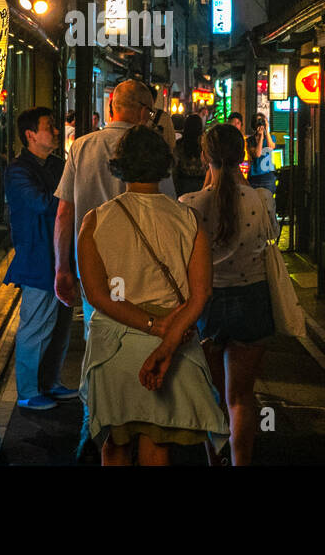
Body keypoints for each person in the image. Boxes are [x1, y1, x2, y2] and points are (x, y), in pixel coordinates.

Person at [76, 125, 228, 465]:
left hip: (115, 344)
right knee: (157, 444)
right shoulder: (188, 219)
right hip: (173, 339)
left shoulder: (95, 220)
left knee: (115, 444)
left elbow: (98, 294)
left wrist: (153, 324)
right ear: (164, 165)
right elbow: (201, 294)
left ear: (119, 165)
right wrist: (167, 336)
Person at [54, 79, 177, 461]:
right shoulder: (152, 151)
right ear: (143, 112)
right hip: (145, 276)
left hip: (97, 275)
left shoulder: (82, 146)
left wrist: (62, 268)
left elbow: (64, 212)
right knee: (144, 348)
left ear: (111, 106)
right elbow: (168, 215)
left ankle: (98, 424)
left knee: (100, 349)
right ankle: (141, 422)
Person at [179, 123, 277, 465]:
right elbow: (272, 236)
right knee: (241, 397)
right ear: (242, 156)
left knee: (213, 394)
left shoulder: (189, 203)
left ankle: (214, 460)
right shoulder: (261, 199)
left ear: (206, 156)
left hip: (207, 302)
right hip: (252, 298)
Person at [4, 107, 76, 410]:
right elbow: (45, 204)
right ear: (30, 134)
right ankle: (28, 391)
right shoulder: (18, 170)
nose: (56, 132)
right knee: (36, 324)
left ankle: (50, 382)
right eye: (50, 126)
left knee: (60, 323)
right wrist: (70, 200)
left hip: (60, 254)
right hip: (37, 256)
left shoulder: (58, 164)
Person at [172, 113, 207, 196]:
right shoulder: (204, 145)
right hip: (202, 184)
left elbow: (175, 169)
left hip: (184, 184)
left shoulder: (179, 145)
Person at [247, 113, 278, 194]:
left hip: (267, 176)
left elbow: (270, 148)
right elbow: (257, 154)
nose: (260, 123)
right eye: (258, 121)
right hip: (254, 176)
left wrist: (266, 131)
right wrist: (260, 137)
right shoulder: (250, 140)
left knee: (268, 203)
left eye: (262, 121)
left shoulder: (272, 137)